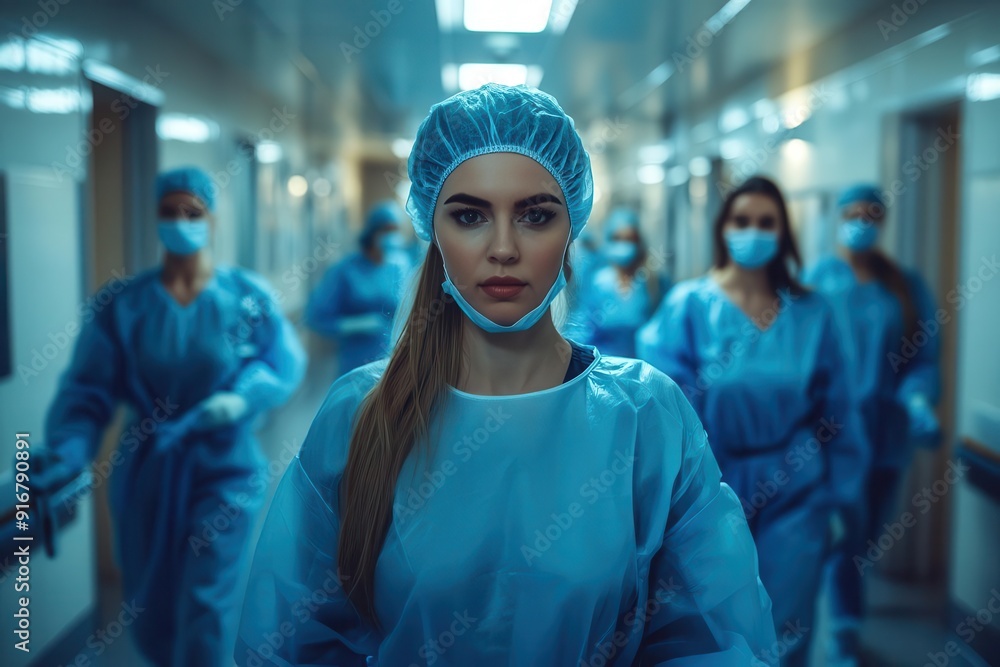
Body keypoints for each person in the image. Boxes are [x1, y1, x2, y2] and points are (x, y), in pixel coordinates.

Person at [236, 84, 776, 666]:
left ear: (572, 228)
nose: (502, 248)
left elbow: (711, 637)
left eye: (535, 216)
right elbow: (294, 639)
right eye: (469, 215)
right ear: (433, 232)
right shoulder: (361, 413)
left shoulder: (645, 416)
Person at [42, 166, 306, 667]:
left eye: (193, 212)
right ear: (155, 217)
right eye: (170, 211)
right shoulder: (125, 304)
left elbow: (283, 362)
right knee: (151, 608)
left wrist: (242, 399)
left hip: (225, 467)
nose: (182, 221)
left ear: (212, 219)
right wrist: (65, 453)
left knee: (207, 603)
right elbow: (87, 392)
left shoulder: (244, 296)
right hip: (149, 470)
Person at [636, 175, 868, 667]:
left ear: (783, 232)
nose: (753, 232)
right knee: (716, 626)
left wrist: (843, 500)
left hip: (796, 491)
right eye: (742, 220)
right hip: (709, 489)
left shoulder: (811, 313)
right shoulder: (688, 307)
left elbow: (839, 413)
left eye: (766, 222)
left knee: (786, 625)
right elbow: (665, 415)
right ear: (723, 227)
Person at [804, 184, 942, 665]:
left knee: (865, 538)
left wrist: (918, 398)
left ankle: (847, 620)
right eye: (853, 214)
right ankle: (841, 631)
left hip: (887, 433)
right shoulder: (817, 280)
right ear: (838, 217)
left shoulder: (903, 285)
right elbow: (801, 356)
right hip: (834, 435)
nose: (861, 223)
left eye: (871, 215)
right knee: (843, 532)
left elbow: (922, 356)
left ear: (882, 222)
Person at [306, 200, 412, 376]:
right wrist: (354, 325)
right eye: (387, 230)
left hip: (394, 361)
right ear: (373, 232)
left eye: (395, 231)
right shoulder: (345, 270)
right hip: (356, 362)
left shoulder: (399, 266)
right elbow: (315, 317)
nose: (392, 237)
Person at [564, 207, 668, 357]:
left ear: (639, 242)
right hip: (605, 364)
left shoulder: (653, 282)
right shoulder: (598, 283)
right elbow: (583, 327)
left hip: (645, 364)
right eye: (617, 238)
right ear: (609, 241)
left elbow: (666, 332)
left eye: (629, 239)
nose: (623, 245)